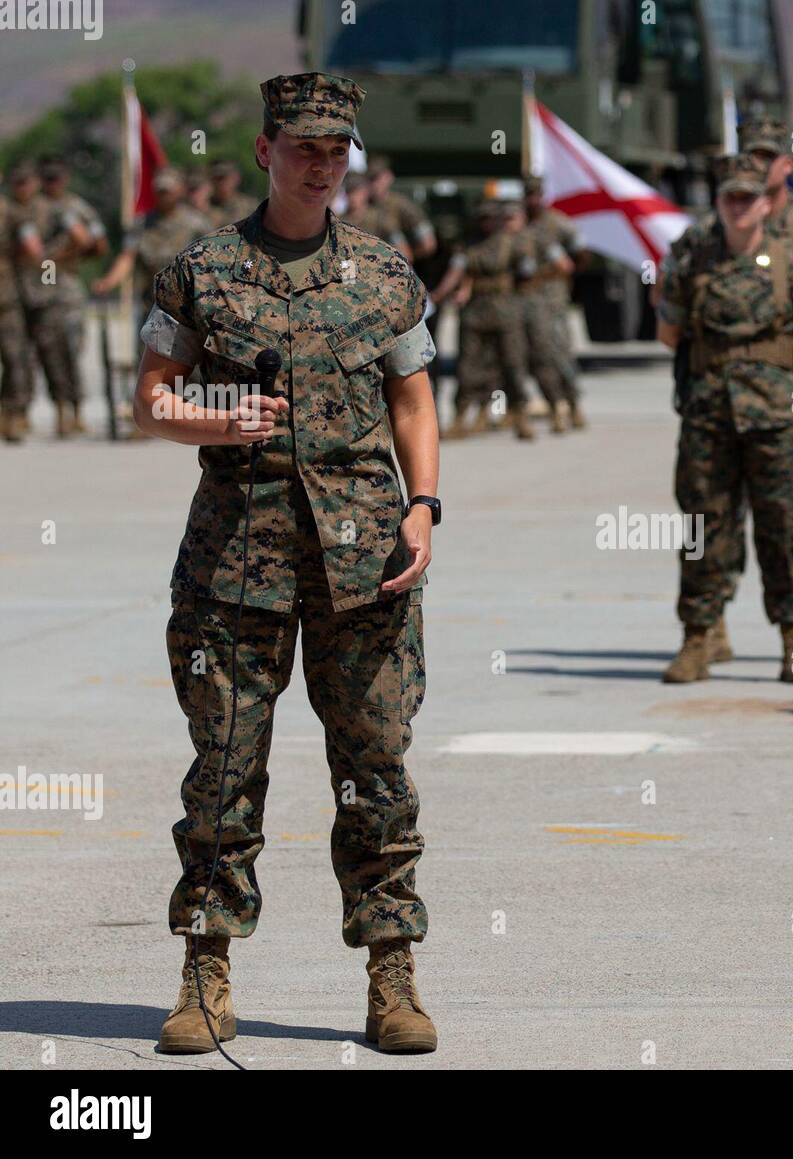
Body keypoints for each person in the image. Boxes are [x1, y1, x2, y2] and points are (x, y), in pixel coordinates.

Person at [132, 72, 440, 1054]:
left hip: (365, 563)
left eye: (335, 147)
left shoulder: (385, 273)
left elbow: (414, 404)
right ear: (265, 151)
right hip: (235, 564)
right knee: (222, 777)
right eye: (302, 145)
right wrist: (212, 416)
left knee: (376, 774)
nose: (320, 162)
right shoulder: (201, 271)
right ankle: (206, 972)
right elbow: (151, 396)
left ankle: (391, 976)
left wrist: (425, 506)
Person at [657, 153, 793, 683]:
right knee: (703, 529)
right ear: (718, 203)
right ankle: (698, 638)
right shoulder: (693, 261)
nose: (739, 206)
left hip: (776, 418)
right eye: (729, 197)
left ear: (766, 202)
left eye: (748, 197)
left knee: (783, 529)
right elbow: (668, 331)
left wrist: (781, 362)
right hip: (709, 417)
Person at [440, 196, 535, 440]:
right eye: (482, 218)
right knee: (469, 366)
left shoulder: (513, 243)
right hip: (476, 311)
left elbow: (527, 274)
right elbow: (457, 270)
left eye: (491, 218)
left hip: (506, 309)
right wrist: (441, 294)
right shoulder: (469, 245)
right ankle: (461, 416)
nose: (486, 224)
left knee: (513, 364)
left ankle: (519, 415)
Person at [9, 160, 87, 437]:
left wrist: (51, 259)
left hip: (47, 294)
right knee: (19, 357)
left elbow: (81, 237)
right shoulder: (15, 212)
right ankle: (19, 414)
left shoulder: (54, 210)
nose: (23, 188)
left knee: (57, 354)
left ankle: (66, 412)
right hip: (17, 295)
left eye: (26, 182)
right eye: (17, 183)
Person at [39, 156, 108, 432]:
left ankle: (77, 412)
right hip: (38, 289)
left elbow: (97, 244)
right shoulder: (36, 207)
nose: (52, 183)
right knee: (48, 351)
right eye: (47, 178)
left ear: (65, 179)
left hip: (67, 286)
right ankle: (59, 412)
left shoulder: (76, 207)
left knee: (71, 347)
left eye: (57, 177)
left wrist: (63, 254)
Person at [93, 167, 211, 312]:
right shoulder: (141, 224)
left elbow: (212, 260)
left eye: (168, 191)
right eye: (160, 192)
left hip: (189, 305)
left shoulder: (196, 224)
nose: (164, 196)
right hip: (153, 304)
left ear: (179, 190)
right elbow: (127, 257)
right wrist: (108, 282)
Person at [521, 174, 585, 432]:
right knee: (536, 355)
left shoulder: (557, 225)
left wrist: (557, 277)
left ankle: (573, 403)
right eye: (529, 194)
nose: (533, 200)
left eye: (537, 194)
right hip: (526, 299)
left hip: (553, 298)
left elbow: (578, 258)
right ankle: (555, 404)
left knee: (559, 352)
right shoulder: (520, 225)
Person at [0, 169, 41, 442]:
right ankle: (11, 416)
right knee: (14, 359)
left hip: (7, 298)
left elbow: (33, 247)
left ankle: (11, 416)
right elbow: (33, 249)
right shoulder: (11, 211)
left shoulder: (12, 213)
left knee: (15, 358)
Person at [207, 159, 259, 227]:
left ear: (236, 178)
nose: (220, 183)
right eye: (216, 178)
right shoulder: (206, 206)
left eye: (223, 178)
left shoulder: (250, 206)